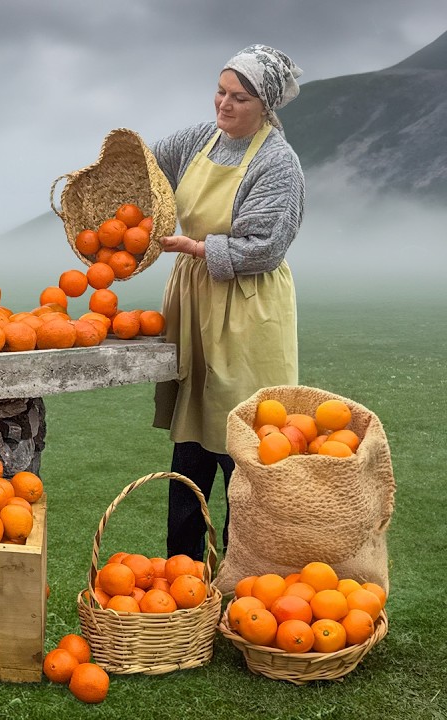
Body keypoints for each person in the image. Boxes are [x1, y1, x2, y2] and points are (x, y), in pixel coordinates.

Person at [151, 46, 305, 560]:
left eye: (239, 97)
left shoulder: (278, 162)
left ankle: (247, 575)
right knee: (191, 436)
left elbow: (265, 246)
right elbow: (147, 167)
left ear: (265, 105)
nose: (225, 104)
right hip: (195, 302)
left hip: (245, 304)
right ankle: (183, 573)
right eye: (221, 91)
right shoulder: (200, 138)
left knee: (241, 439)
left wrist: (198, 247)